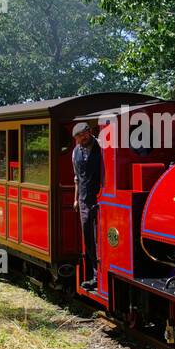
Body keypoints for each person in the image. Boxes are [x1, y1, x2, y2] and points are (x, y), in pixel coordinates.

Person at [71, 121, 102, 290]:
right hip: (84, 199)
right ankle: (93, 274)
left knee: (99, 239)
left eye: (83, 135)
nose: (81, 139)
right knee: (89, 238)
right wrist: (76, 199)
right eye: (78, 137)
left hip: (100, 199)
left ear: (89, 132)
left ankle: (98, 276)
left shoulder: (102, 147)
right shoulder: (75, 152)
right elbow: (77, 178)